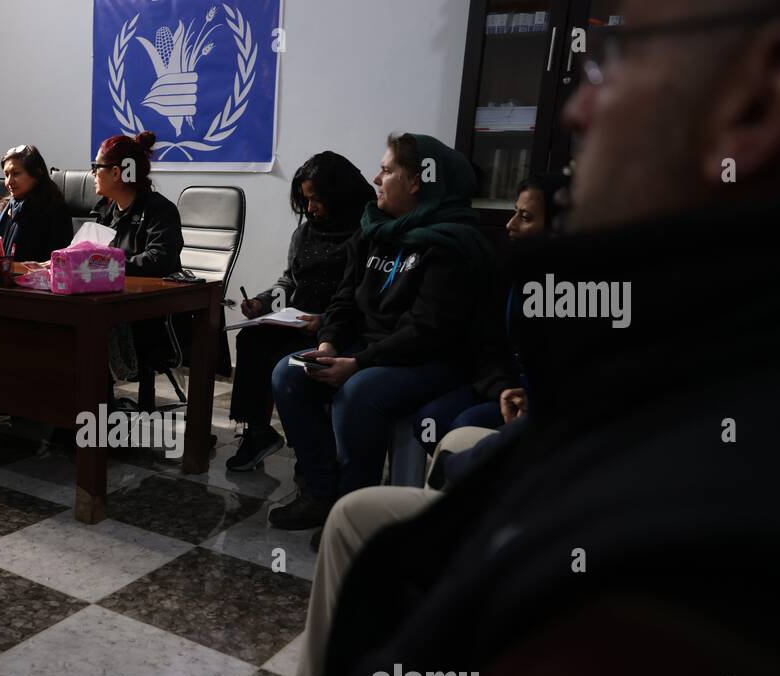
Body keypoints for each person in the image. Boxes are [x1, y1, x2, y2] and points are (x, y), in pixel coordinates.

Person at [108, 0, 778, 676]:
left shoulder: (694, 540)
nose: (575, 107)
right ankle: (321, 479)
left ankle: (338, 473)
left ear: (752, 108)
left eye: (614, 58)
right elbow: (453, 636)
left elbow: (431, 335)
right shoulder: (660, 353)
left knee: (362, 392)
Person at [268, 134, 494, 531]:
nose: (375, 178)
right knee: (289, 372)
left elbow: (426, 329)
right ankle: (320, 491)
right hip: (370, 350)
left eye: (387, 170)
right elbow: (344, 300)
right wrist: (329, 343)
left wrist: (357, 364)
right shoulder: (374, 229)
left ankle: (354, 514)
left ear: (417, 181)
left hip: (433, 358)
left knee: (360, 391)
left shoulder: (453, 243)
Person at [226, 151, 375, 472]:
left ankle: (311, 451)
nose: (310, 209)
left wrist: (325, 322)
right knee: (252, 338)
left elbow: (362, 300)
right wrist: (263, 304)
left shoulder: (366, 234)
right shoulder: (305, 232)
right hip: (298, 318)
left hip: (341, 327)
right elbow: (289, 282)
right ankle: (258, 432)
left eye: (317, 200)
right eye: (305, 201)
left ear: (339, 195)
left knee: (287, 361)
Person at [412, 173, 566, 448]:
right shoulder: (508, 272)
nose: (510, 225)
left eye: (526, 217)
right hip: (504, 384)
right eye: (514, 213)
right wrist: (502, 388)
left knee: (463, 429)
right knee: (429, 421)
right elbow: (485, 346)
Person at [91, 131, 194, 409]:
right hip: (112, 306)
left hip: (152, 317)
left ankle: (102, 422)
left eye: (96, 167)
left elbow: (158, 260)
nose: (92, 175)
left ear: (115, 172)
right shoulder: (104, 211)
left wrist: (107, 263)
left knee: (89, 336)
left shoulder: (160, 210)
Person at [0, 144, 73, 263]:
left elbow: (58, 262)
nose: (9, 181)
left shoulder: (55, 210)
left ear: (36, 175)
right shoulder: (5, 208)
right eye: (6, 175)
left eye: (16, 173)